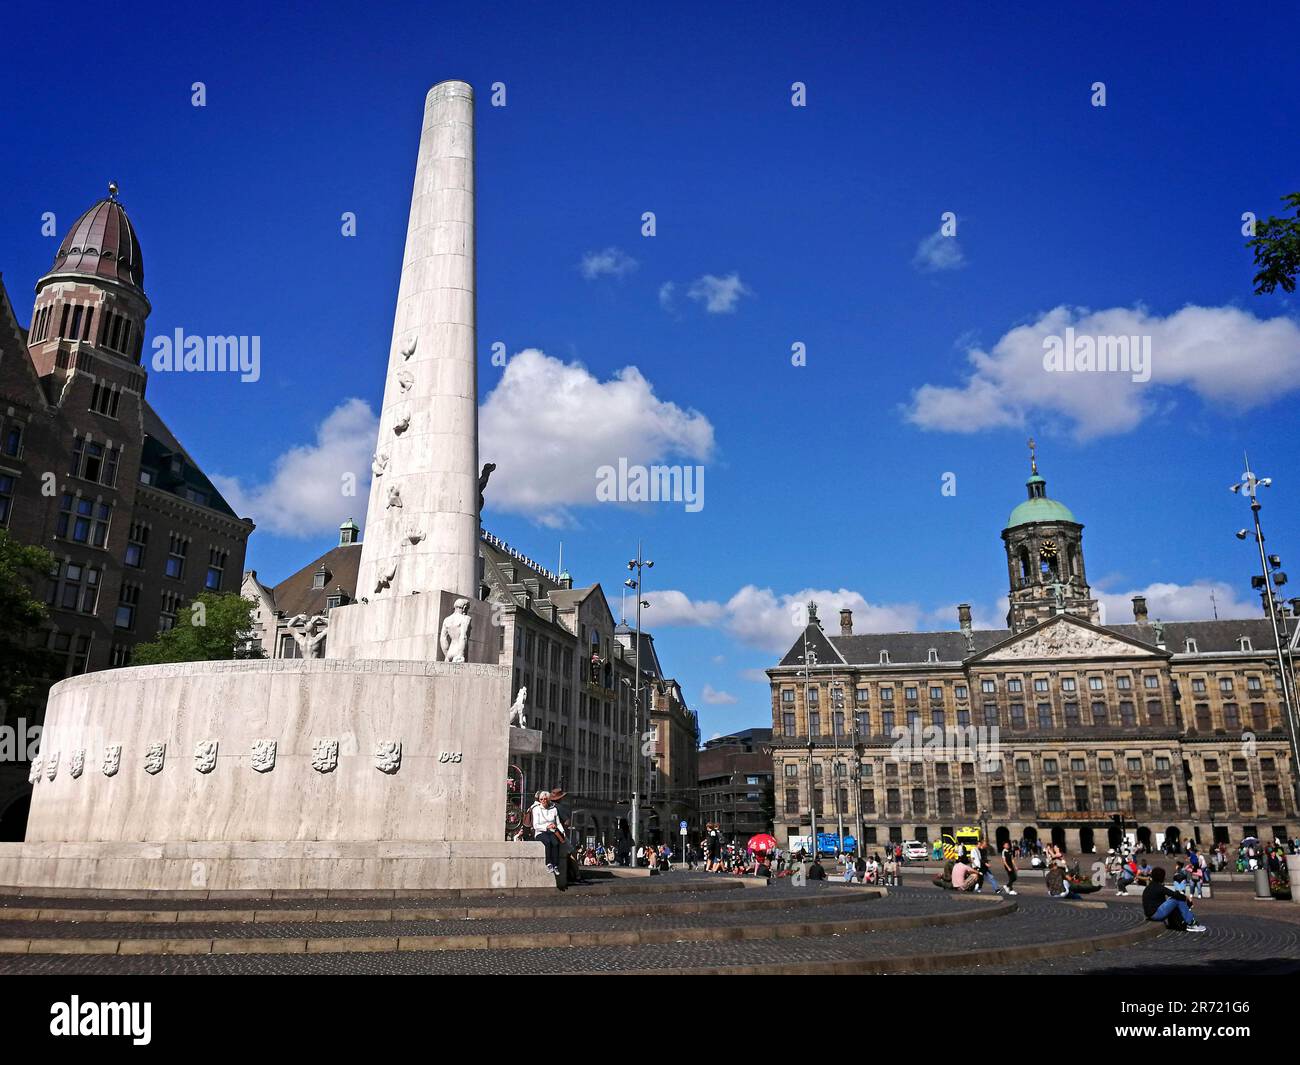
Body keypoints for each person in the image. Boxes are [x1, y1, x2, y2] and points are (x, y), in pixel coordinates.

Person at [1142, 867, 1206, 932]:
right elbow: (1175, 894)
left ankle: (1175, 923)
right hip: (1156, 914)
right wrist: (1186, 898)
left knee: (1173, 899)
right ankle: (1190, 923)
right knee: (1177, 899)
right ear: (1162, 878)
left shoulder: (1150, 887)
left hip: (1150, 914)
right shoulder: (1159, 887)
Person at [526, 790, 566, 878]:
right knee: (547, 842)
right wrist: (547, 826)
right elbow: (536, 825)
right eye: (541, 799)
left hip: (552, 831)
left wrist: (562, 831)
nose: (543, 801)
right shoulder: (536, 809)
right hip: (540, 832)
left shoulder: (554, 809)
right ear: (539, 800)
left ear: (548, 800)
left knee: (555, 842)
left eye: (545, 799)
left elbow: (558, 823)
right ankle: (549, 863)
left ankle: (555, 865)